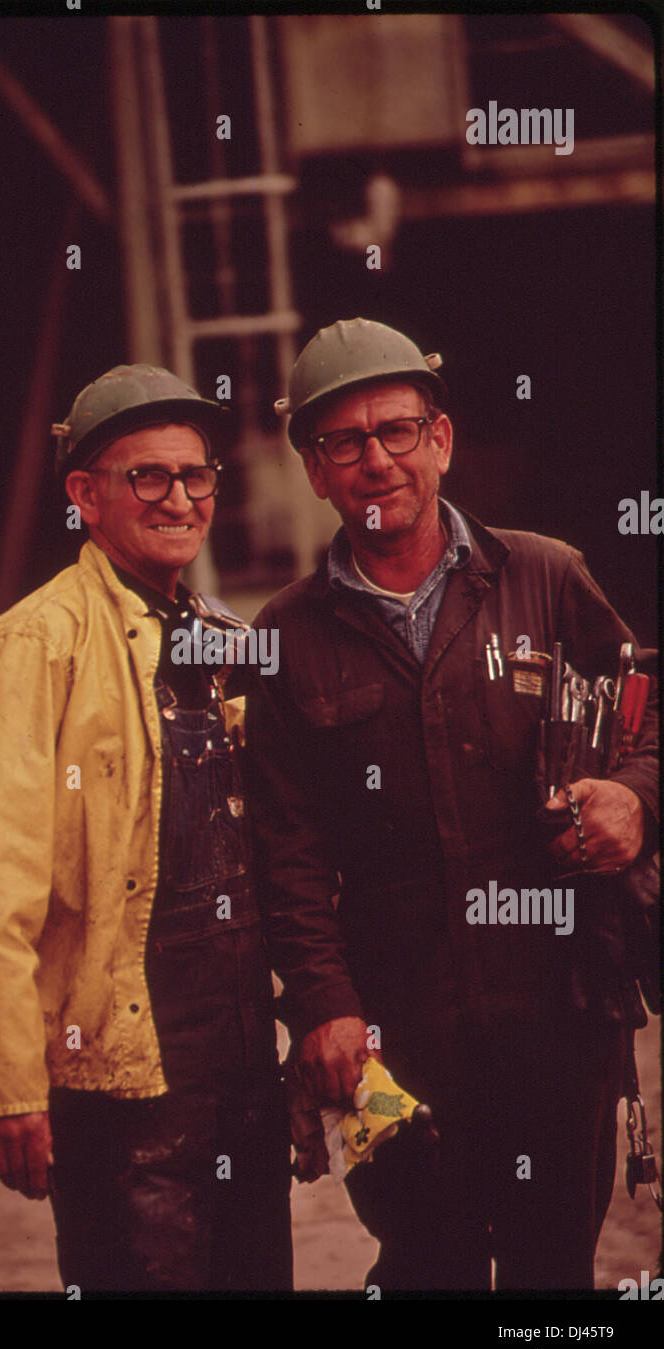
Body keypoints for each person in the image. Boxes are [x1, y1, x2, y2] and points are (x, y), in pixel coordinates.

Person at [245, 318, 658, 1291]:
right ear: (312, 467)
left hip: (558, 1014)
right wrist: (323, 1006)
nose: (373, 461)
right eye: (342, 442)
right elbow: (284, 847)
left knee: (550, 1271)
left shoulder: (543, 577)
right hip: (397, 1034)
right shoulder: (288, 636)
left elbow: (648, 712)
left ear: (439, 439)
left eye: (394, 431)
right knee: (423, 1265)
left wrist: (635, 799)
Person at [0, 364, 292, 1294]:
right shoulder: (34, 646)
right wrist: (4, 1089)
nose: (179, 497)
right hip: (118, 1086)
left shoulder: (221, 639)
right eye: (147, 477)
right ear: (85, 498)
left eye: (195, 474)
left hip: (242, 1078)